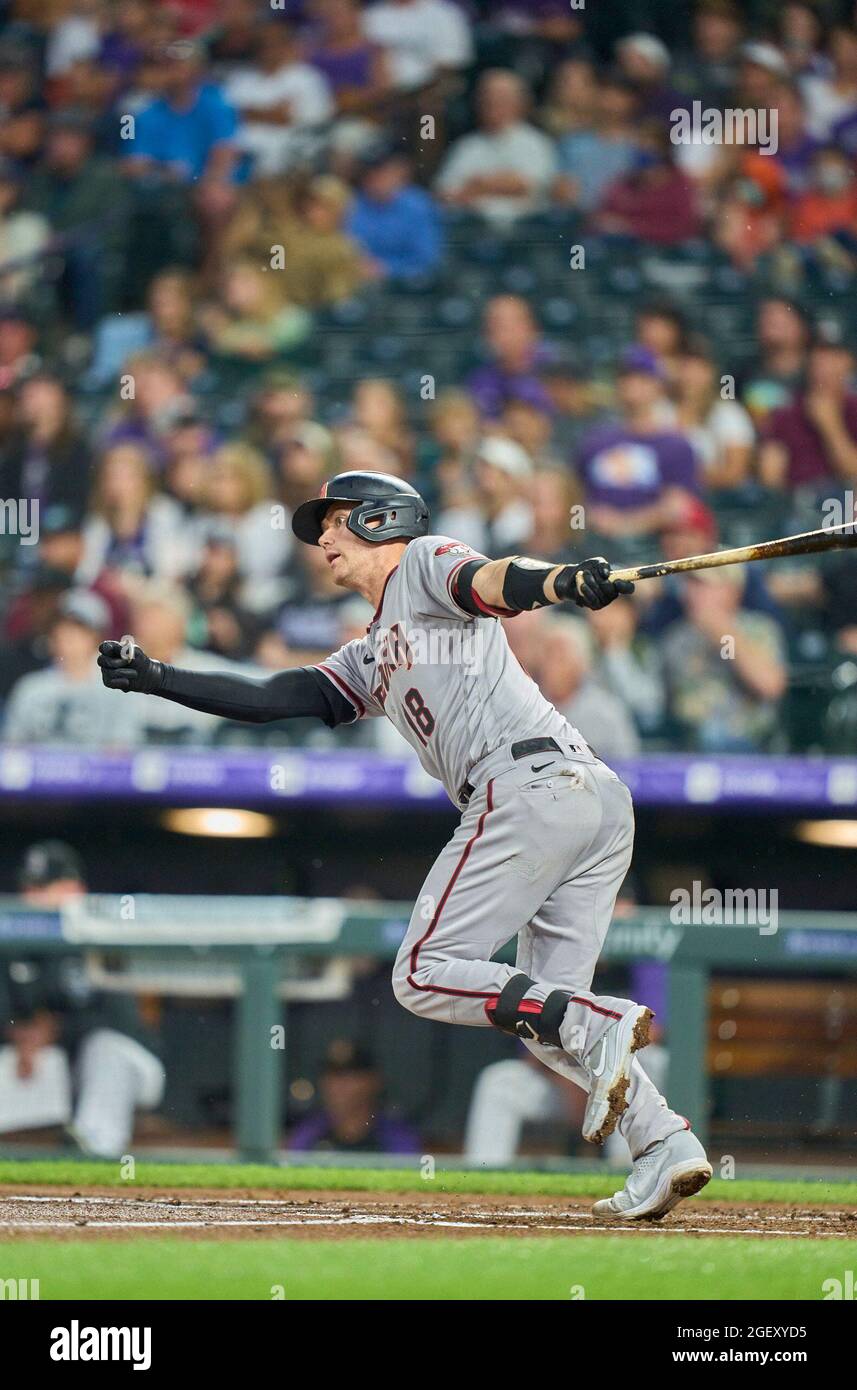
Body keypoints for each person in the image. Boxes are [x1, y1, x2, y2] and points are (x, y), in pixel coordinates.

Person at [100, 468, 713, 1220]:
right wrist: (160, 677)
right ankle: (665, 1145)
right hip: (583, 799)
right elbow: (275, 699)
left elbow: (492, 580)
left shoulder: (421, 564)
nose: (321, 537)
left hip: (527, 787)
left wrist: (559, 582)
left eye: (333, 520)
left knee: (423, 972)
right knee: (544, 1020)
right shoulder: (370, 652)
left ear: (381, 520)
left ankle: (602, 1021)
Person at [0, 840, 165, 1158]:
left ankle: (96, 1152)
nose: (35, 897)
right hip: (54, 1066)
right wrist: (19, 1033)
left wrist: (57, 1029)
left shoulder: (101, 935)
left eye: (48, 887)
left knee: (105, 1049)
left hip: (130, 1063)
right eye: (31, 887)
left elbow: (120, 1023)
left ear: (76, 889)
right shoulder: (13, 947)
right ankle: (24, 1163)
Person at [436, 69, 557, 224]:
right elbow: (444, 194)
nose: (492, 105)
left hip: (522, 234)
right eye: (486, 99)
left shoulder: (536, 143)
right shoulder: (466, 146)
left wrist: (477, 186)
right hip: (471, 229)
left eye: (501, 99)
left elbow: (527, 186)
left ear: (520, 104)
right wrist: (497, 184)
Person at [288, 1039, 418, 1153]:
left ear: (373, 1081)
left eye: (348, 1076)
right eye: (331, 1075)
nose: (337, 1086)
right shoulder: (308, 1132)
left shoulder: (395, 1136)